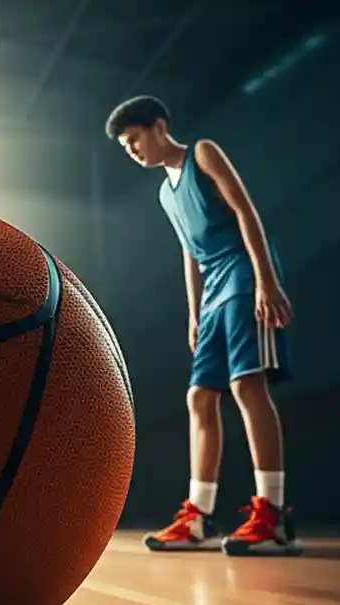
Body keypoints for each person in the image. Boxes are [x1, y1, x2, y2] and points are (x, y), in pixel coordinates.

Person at [105, 96, 302, 556]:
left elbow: (245, 212)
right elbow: (189, 254)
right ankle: (197, 519)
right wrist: (194, 313)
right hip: (211, 293)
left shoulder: (203, 153)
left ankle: (273, 518)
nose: (132, 150)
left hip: (242, 273)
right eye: (125, 146)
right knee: (199, 397)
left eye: (134, 139)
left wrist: (266, 280)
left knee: (247, 386)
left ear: (158, 127)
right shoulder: (164, 192)